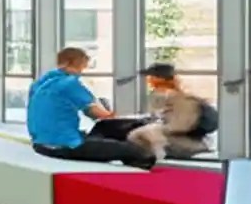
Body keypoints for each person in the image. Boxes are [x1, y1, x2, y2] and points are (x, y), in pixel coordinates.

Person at [27, 47, 155, 169]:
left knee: (102, 129)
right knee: (141, 153)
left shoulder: (38, 84)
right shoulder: (70, 83)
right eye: (81, 67)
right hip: (64, 146)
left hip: (40, 144)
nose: (81, 72)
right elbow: (96, 113)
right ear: (70, 63)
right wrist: (113, 115)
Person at [126, 63, 216, 160]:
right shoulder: (180, 93)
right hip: (198, 139)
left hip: (181, 136)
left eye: (151, 77)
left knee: (138, 135)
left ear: (159, 78)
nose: (149, 80)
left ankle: (159, 158)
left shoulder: (166, 94)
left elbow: (177, 123)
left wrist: (161, 126)